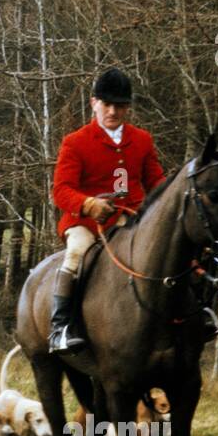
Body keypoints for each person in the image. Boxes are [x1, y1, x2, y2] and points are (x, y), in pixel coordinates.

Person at [48, 68, 165, 354]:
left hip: (131, 219)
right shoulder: (75, 142)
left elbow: (156, 183)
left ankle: (192, 316)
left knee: (167, 249)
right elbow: (61, 191)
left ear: (128, 107)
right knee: (76, 254)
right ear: (94, 103)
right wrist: (89, 204)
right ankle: (60, 328)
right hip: (85, 223)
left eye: (120, 106)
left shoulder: (142, 140)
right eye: (107, 104)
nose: (113, 111)